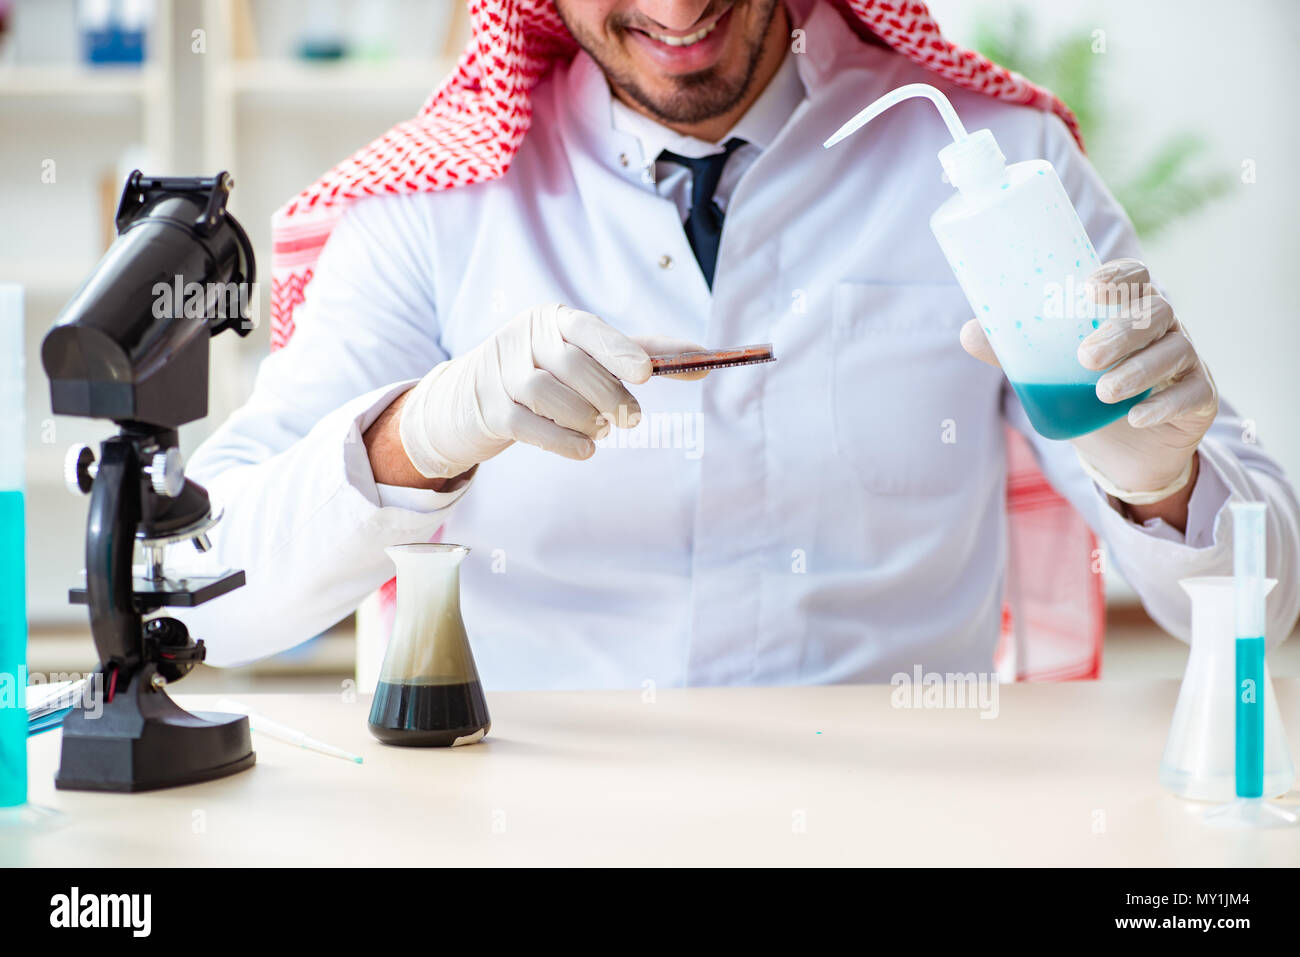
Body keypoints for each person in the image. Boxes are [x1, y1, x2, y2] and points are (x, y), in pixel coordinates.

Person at [171, 0, 1300, 689]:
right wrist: (420, 434)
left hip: (908, 816)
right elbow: (199, 595)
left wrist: (1165, 483)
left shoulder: (1000, 166)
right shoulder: (431, 206)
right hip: (516, 824)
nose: (672, 4)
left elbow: (1264, 609)